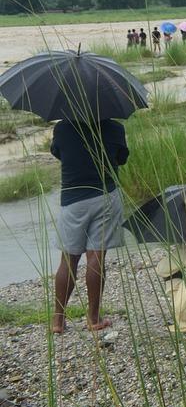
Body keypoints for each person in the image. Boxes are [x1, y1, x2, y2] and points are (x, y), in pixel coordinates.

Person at [49, 118, 129, 334]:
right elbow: (121, 159)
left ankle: (58, 321)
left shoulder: (62, 127)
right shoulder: (115, 127)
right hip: (106, 196)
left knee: (68, 259)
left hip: (72, 200)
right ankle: (93, 318)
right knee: (96, 257)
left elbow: (57, 152)